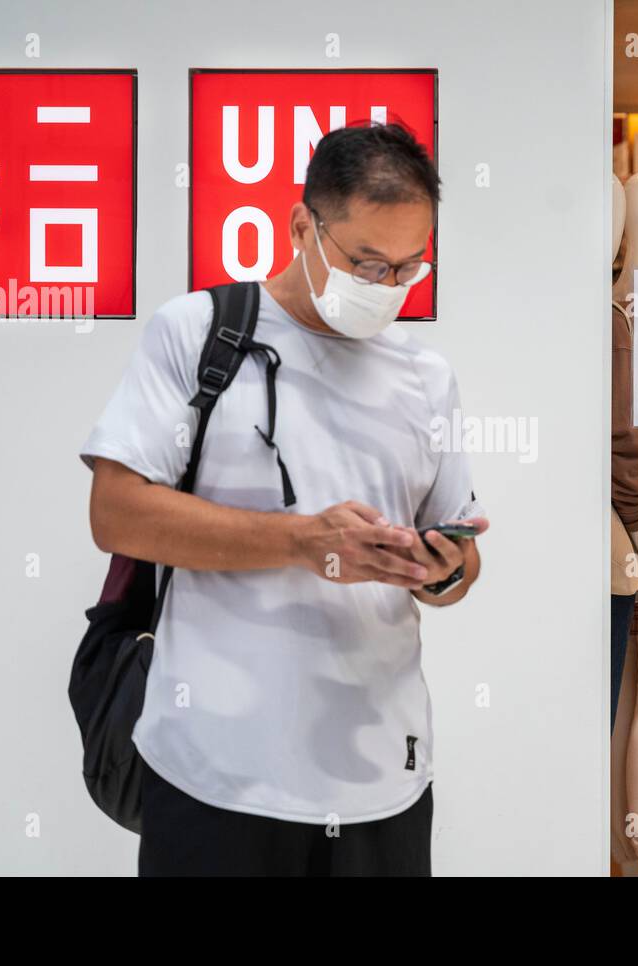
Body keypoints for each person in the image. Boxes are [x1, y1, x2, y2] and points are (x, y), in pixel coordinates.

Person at [82, 123, 487, 876]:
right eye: (368, 262)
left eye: (408, 267)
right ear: (303, 225)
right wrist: (303, 541)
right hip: (214, 774)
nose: (387, 286)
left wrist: (443, 567)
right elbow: (116, 513)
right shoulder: (199, 332)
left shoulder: (425, 375)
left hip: (381, 781)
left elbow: (459, 571)